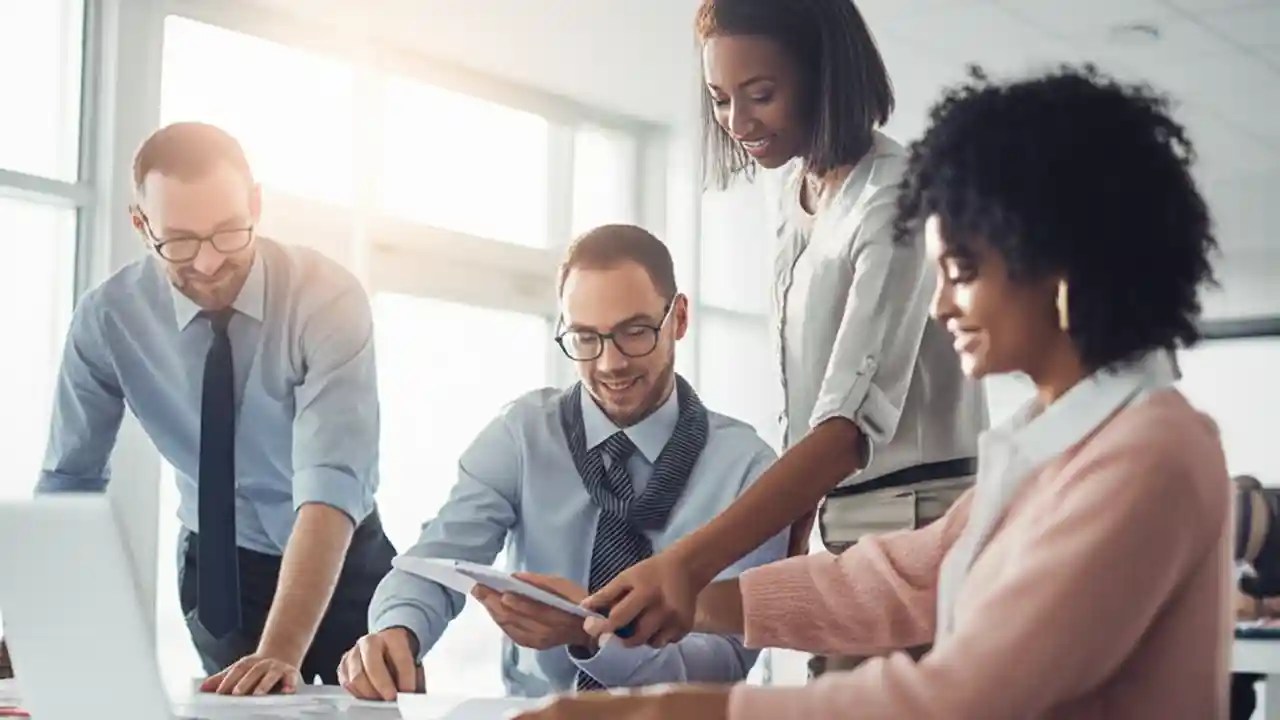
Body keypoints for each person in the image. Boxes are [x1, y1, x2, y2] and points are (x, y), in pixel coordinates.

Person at [522, 66, 1232, 720]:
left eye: (960, 270)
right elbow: (899, 582)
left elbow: (964, 696)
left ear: (1057, 265)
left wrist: (654, 711)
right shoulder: (1056, 440)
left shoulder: (1150, 456)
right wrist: (681, 602)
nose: (941, 306)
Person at [584, 0, 986, 670]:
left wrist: (686, 566)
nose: (738, 124)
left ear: (824, 76)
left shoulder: (897, 198)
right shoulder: (797, 192)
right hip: (844, 524)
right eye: (720, 99)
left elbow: (847, 425)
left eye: (760, 95)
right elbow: (810, 418)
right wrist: (781, 540)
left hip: (924, 526)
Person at [338, 225, 787, 701]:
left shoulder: (749, 470)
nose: (610, 363)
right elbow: (440, 556)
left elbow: (723, 661)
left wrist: (594, 634)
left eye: (634, 332)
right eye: (586, 337)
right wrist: (397, 631)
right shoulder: (522, 435)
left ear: (678, 318)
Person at [35, 122, 395, 695]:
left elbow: (331, 482)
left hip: (344, 560)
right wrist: (36, 623)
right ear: (140, 224)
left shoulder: (327, 296)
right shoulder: (107, 321)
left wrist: (279, 653)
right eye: (178, 241)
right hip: (221, 573)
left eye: (229, 233)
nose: (206, 265)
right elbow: (68, 483)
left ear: (256, 203)